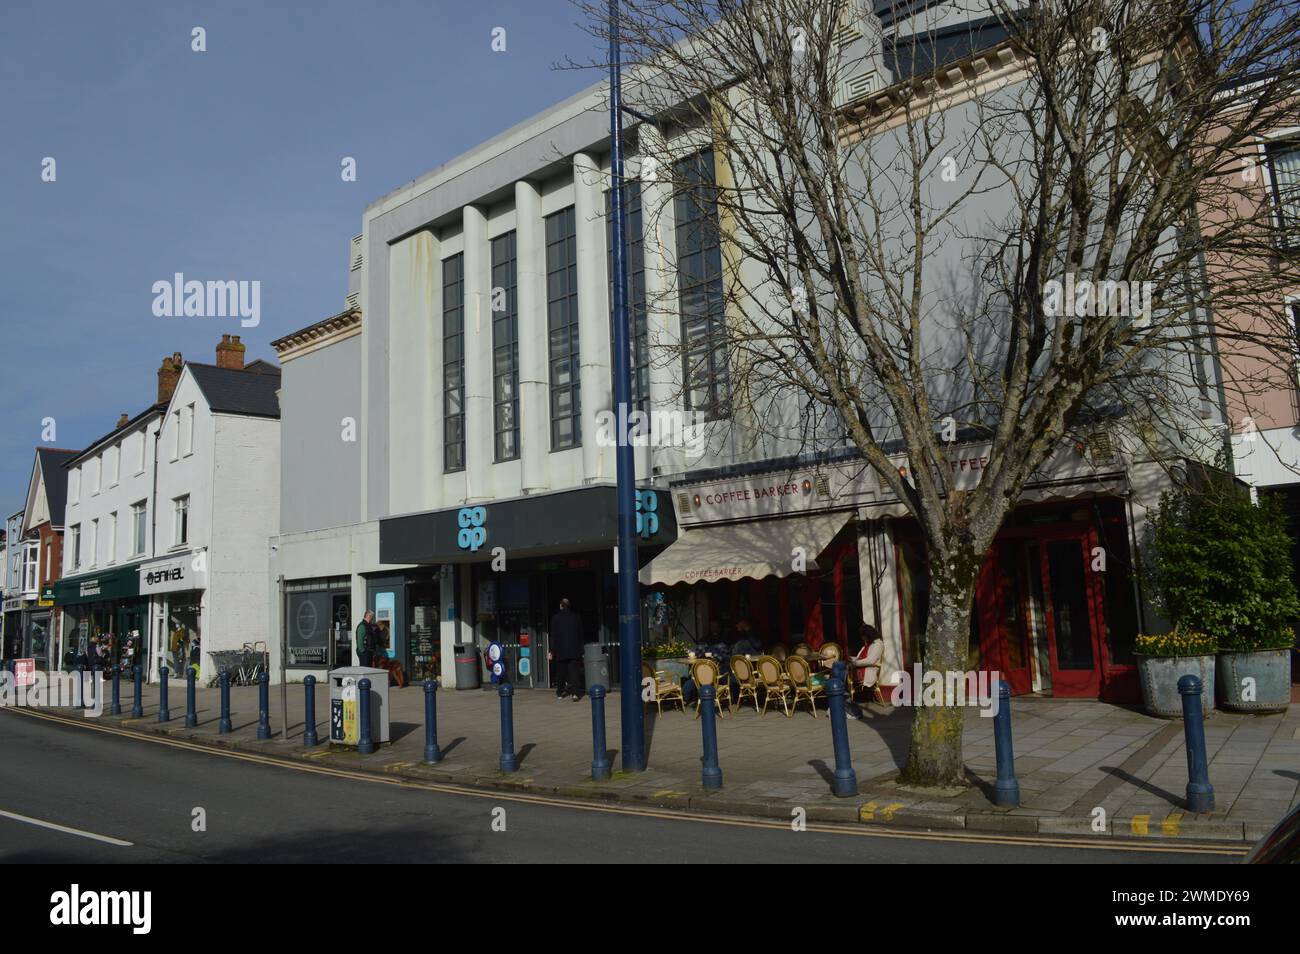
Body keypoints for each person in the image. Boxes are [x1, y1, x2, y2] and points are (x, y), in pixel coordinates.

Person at [549, 598, 585, 701]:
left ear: (561, 606)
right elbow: (580, 636)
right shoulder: (576, 617)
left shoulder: (555, 618)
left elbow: (553, 636)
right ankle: (575, 693)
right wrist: (581, 651)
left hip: (561, 651)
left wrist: (552, 650)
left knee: (561, 673)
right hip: (574, 651)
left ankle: (560, 693)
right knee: (574, 674)